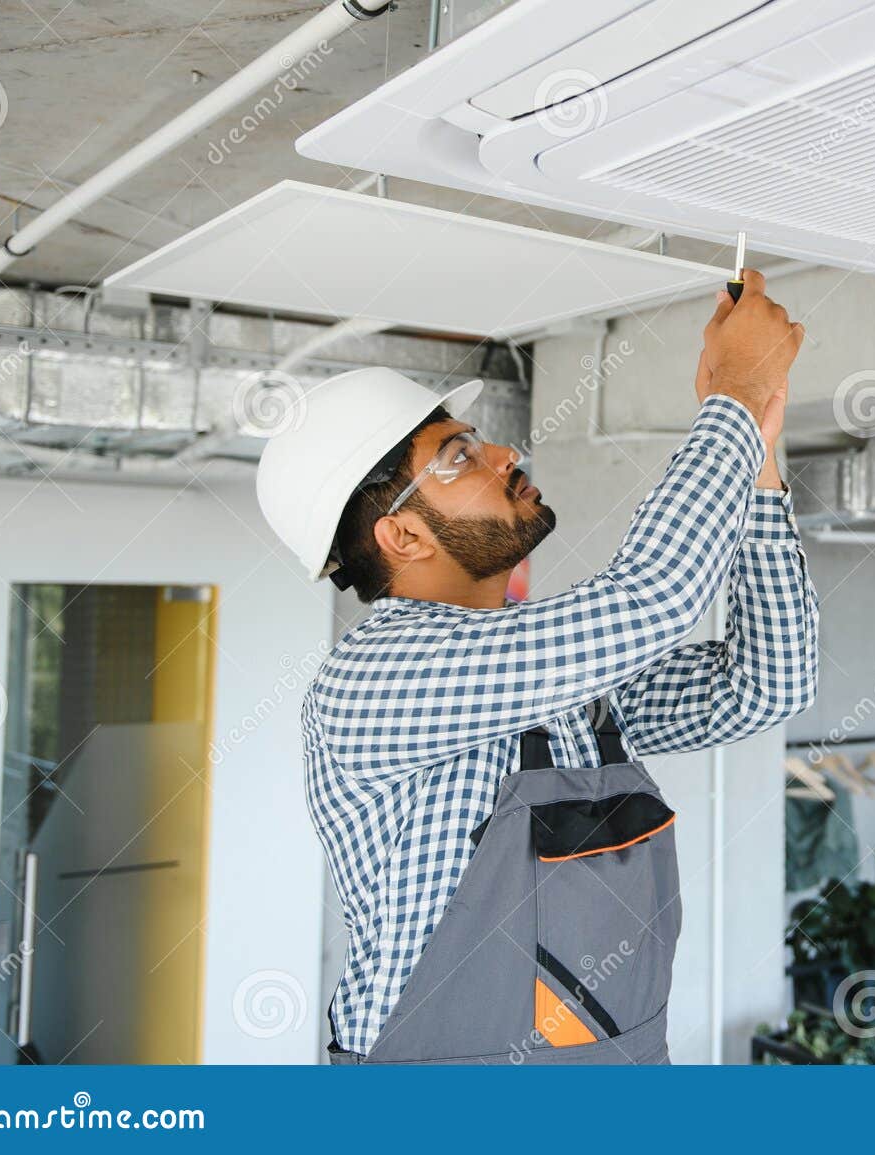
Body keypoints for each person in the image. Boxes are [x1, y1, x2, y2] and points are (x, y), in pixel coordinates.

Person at [255, 270, 818, 1064]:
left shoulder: (550, 678)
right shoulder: (375, 678)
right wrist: (731, 394)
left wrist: (756, 458)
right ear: (403, 537)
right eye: (458, 455)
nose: (502, 452)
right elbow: (652, 599)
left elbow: (767, 684)